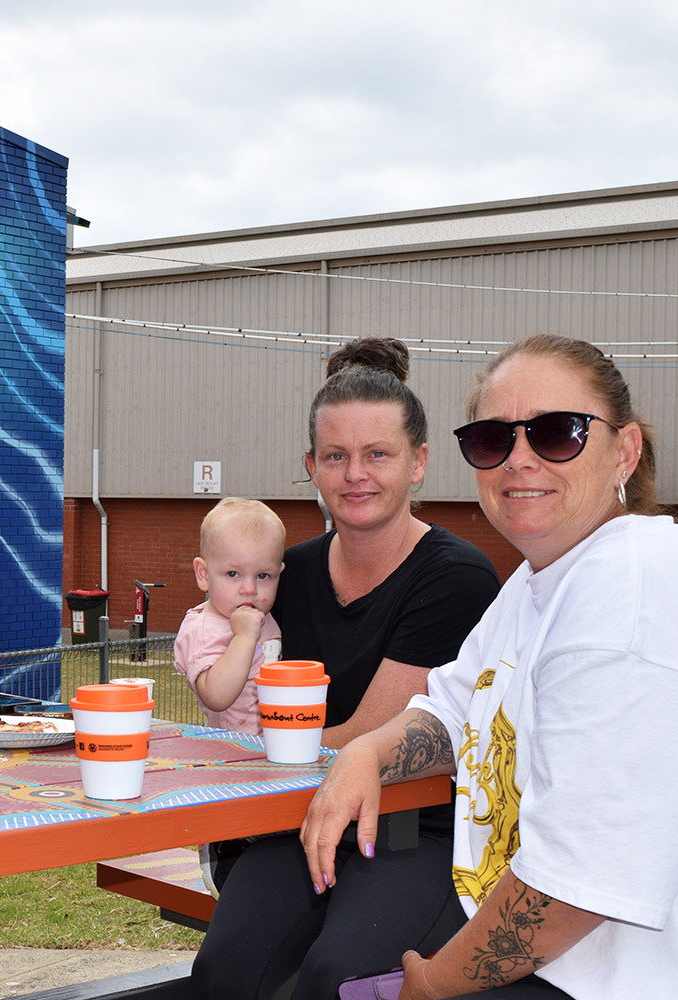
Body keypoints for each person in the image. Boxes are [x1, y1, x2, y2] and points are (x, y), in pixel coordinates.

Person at [301, 334, 678, 1000]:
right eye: (493, 439)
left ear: (623, 451)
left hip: (607, 979)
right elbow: (455, 708)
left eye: (556, 432)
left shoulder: (632, 589)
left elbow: (577, 882)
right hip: (526, 938)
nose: (519, 459)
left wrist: (431, 985)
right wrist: (367, 753)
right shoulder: (540, 579)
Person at [192, 338, 502, 1000]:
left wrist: (239, 754)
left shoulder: (455, 579)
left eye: (378, 455)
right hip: (296, 814)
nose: (355, 474)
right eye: (336, 456)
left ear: (418, 463)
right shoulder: (287, 574)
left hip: (420, 829)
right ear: (312, 466)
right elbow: (220, 674)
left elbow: (372, 739)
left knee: (341, 977)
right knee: (227, 968)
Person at [174, 497, 286, 735]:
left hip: (272, 746)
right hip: (232, 751)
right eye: (233, 573)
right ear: (203, 575)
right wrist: (244, 637)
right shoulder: (204, 628)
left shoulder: (261, 614)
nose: (250, 589)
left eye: (263, 576)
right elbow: (216, 696)